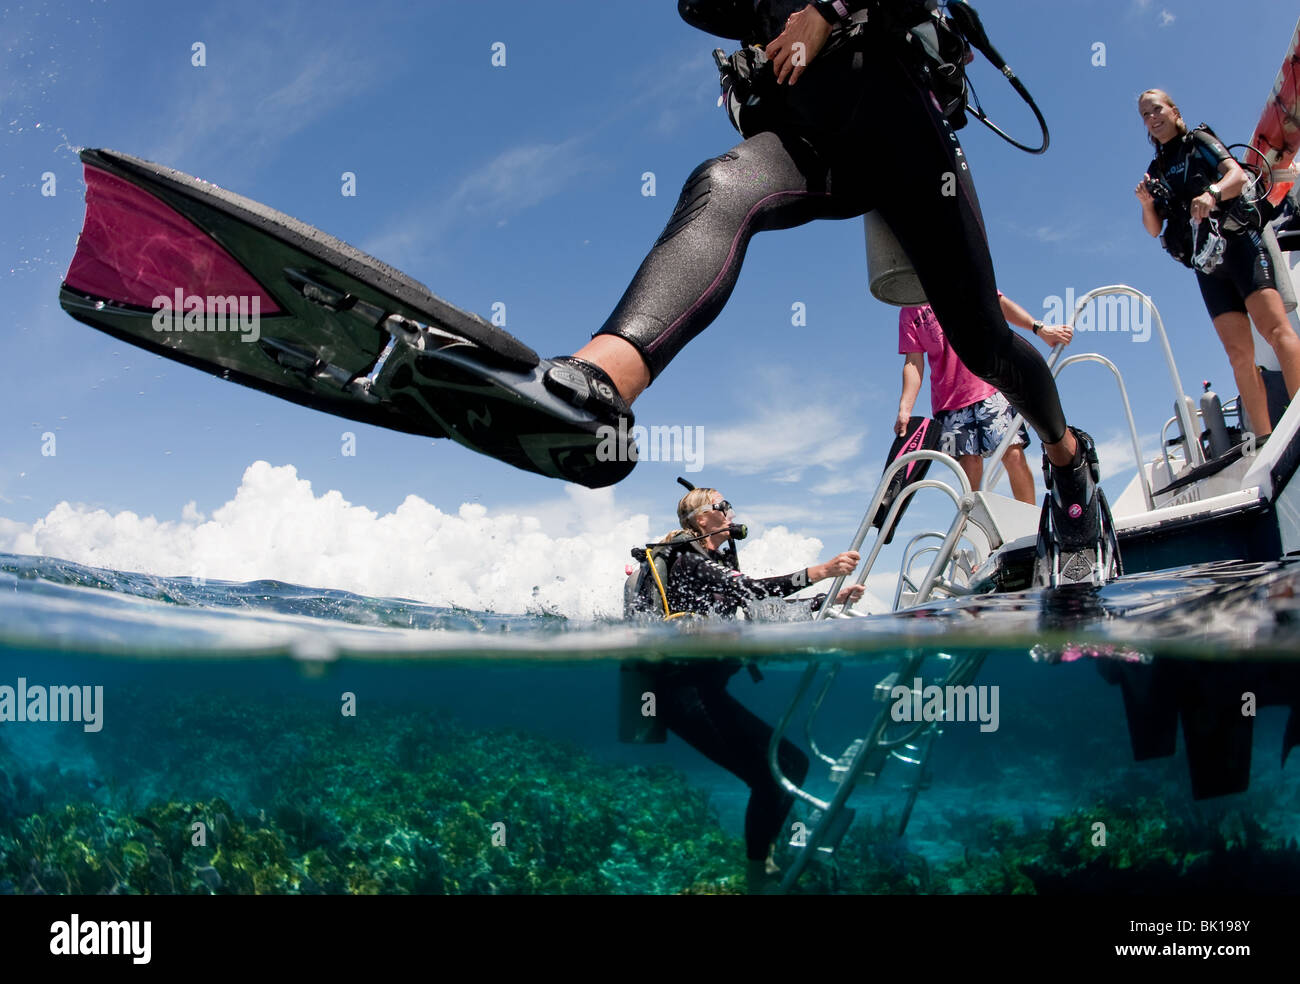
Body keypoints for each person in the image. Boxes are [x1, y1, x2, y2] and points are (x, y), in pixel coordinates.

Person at [447, 1, 1117, 584]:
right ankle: (596, 386)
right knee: (721, 182)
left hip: (907, 133)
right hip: (818, 146)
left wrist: (825, 11)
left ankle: (1068, 459)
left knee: (983, 347)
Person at [637, 486, 863, 892]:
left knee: (790, 767)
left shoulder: (713, 563)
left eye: (728, 505)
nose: (729, 511)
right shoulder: (689, 559)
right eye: (721, 506)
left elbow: (756, 609)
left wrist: (826, 601)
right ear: (700, 519)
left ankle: (763, 856)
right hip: (679, 694)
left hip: (702, 690)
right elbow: (756, 590)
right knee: (776, 774)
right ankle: (758, 872)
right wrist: (821, 572)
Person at [1136, 88, 1300, 441]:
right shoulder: (1156, 170)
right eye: (1145, 116)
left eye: (1156, 109)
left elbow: (1237, 177)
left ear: (1174, 110)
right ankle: (1264, 439)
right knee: (1238, 354)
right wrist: (1148, 204)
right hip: (1207, 265)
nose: (1152, 118)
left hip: (1239, 243)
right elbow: (1153, 231)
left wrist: (1210, 194)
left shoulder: (1199, 141)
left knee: (1275, 331)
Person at [896, 294, 1073, 504]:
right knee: (968, 469)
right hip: (948, 403)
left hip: (991, 385)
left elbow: (997, 302)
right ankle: (974, 531)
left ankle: (1031, 525)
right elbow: (914, 362)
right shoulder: (908, 312)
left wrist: (1039, 329)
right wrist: (905, 409)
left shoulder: (957, 278)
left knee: (1012, 454)